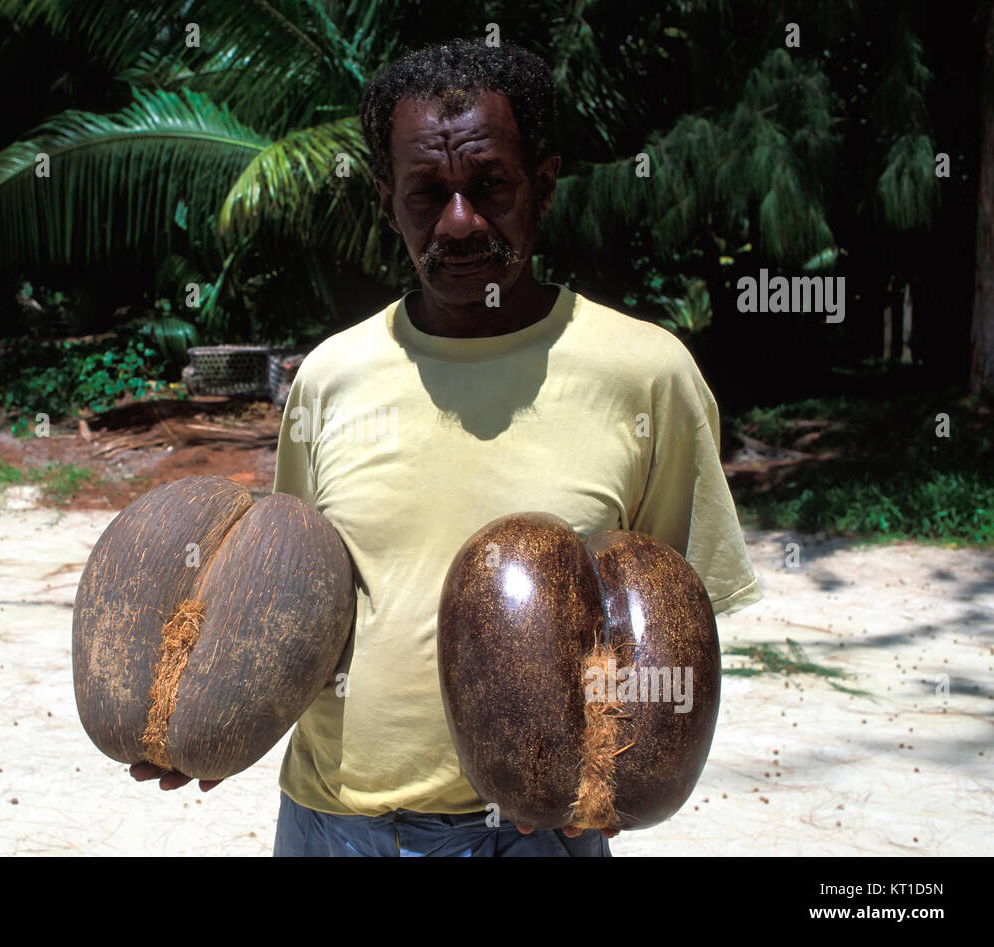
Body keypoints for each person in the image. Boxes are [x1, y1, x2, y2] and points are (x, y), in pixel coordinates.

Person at [131, 37, 763, 857]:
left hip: (532, 836)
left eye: (490, 186)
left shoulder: (647, 376)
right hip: (329, 822)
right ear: (386, 199)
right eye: (427, 193)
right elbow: (293, 596)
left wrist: (620, 773)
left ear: (543, 185)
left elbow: (668, 620)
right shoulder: (330, 378)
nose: (459, 223)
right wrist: (206, 717)